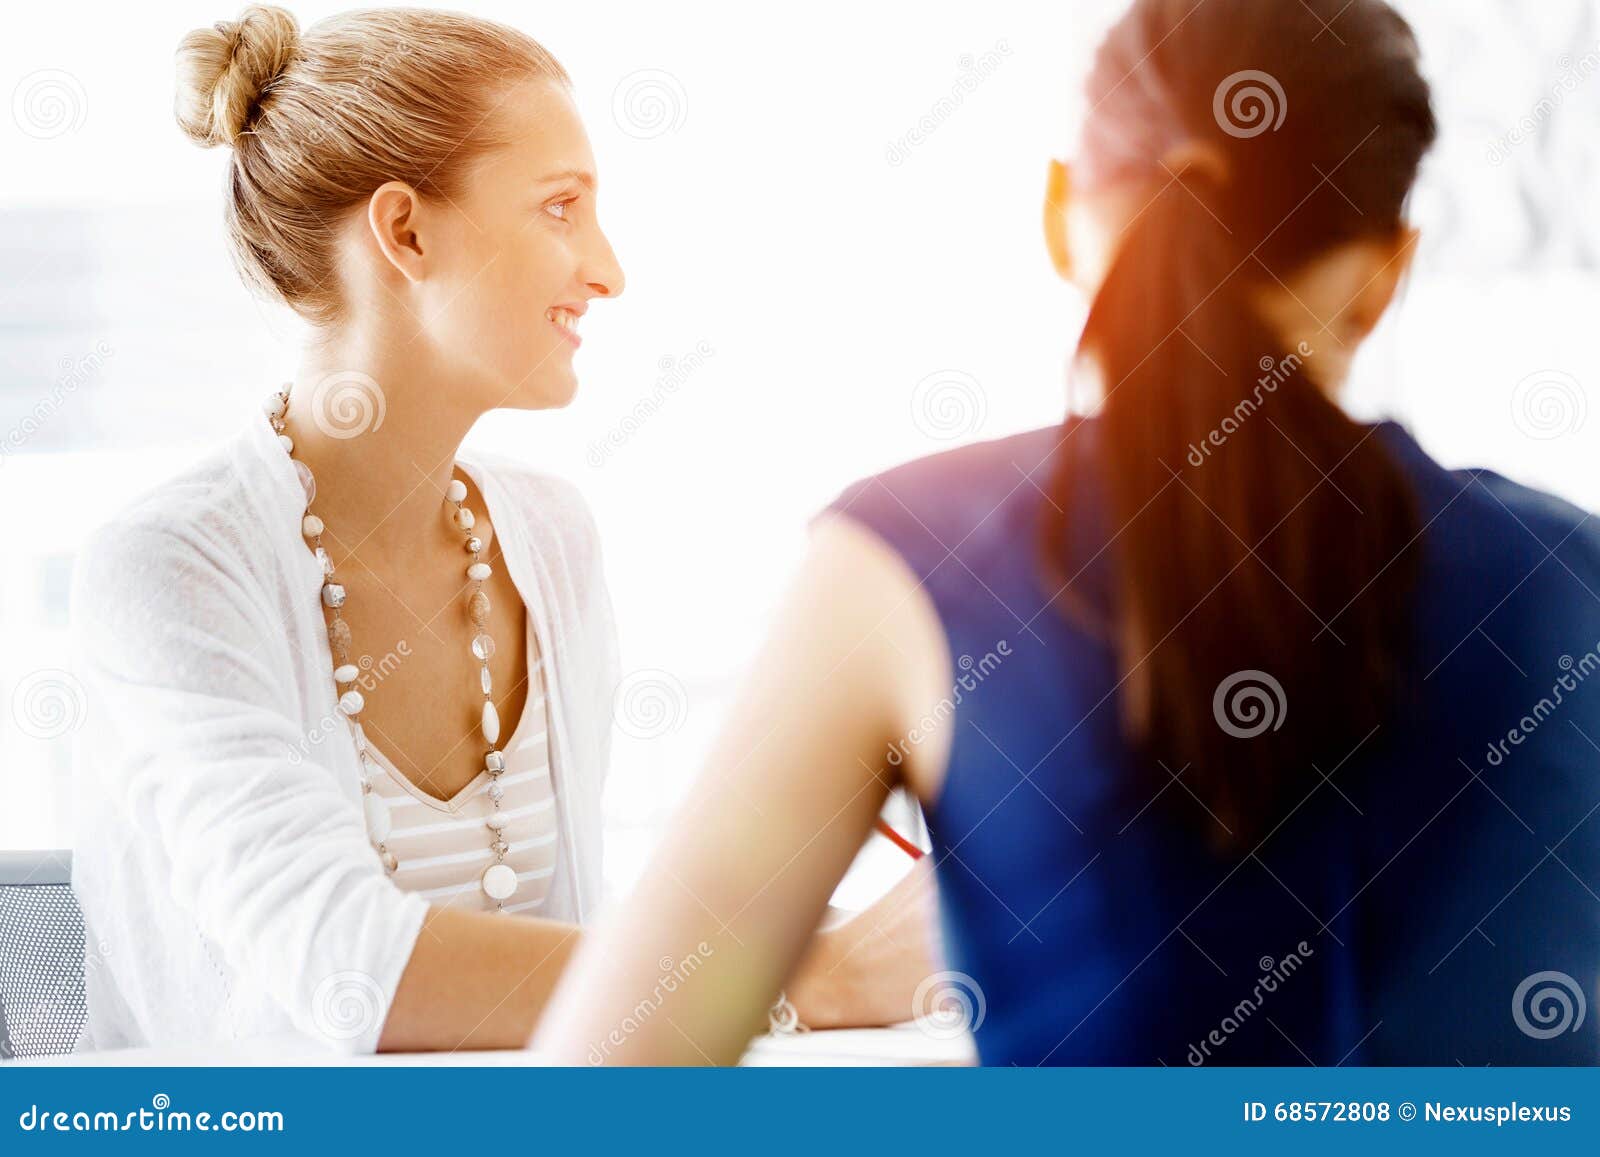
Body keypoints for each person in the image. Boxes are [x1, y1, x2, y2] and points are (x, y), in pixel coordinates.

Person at [535, 0, 1600, 1065]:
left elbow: (609, 1074)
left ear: (1059, 214)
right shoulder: (1568, 576)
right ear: (1384, 274)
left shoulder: (905, 562)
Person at [68, 4, 932, 1055]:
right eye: (561, 208)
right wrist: (814, 974)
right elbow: (348, 970)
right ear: (406, 231)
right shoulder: (167, 570)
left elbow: (565, 949)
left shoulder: (548, 535)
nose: (608, 269)